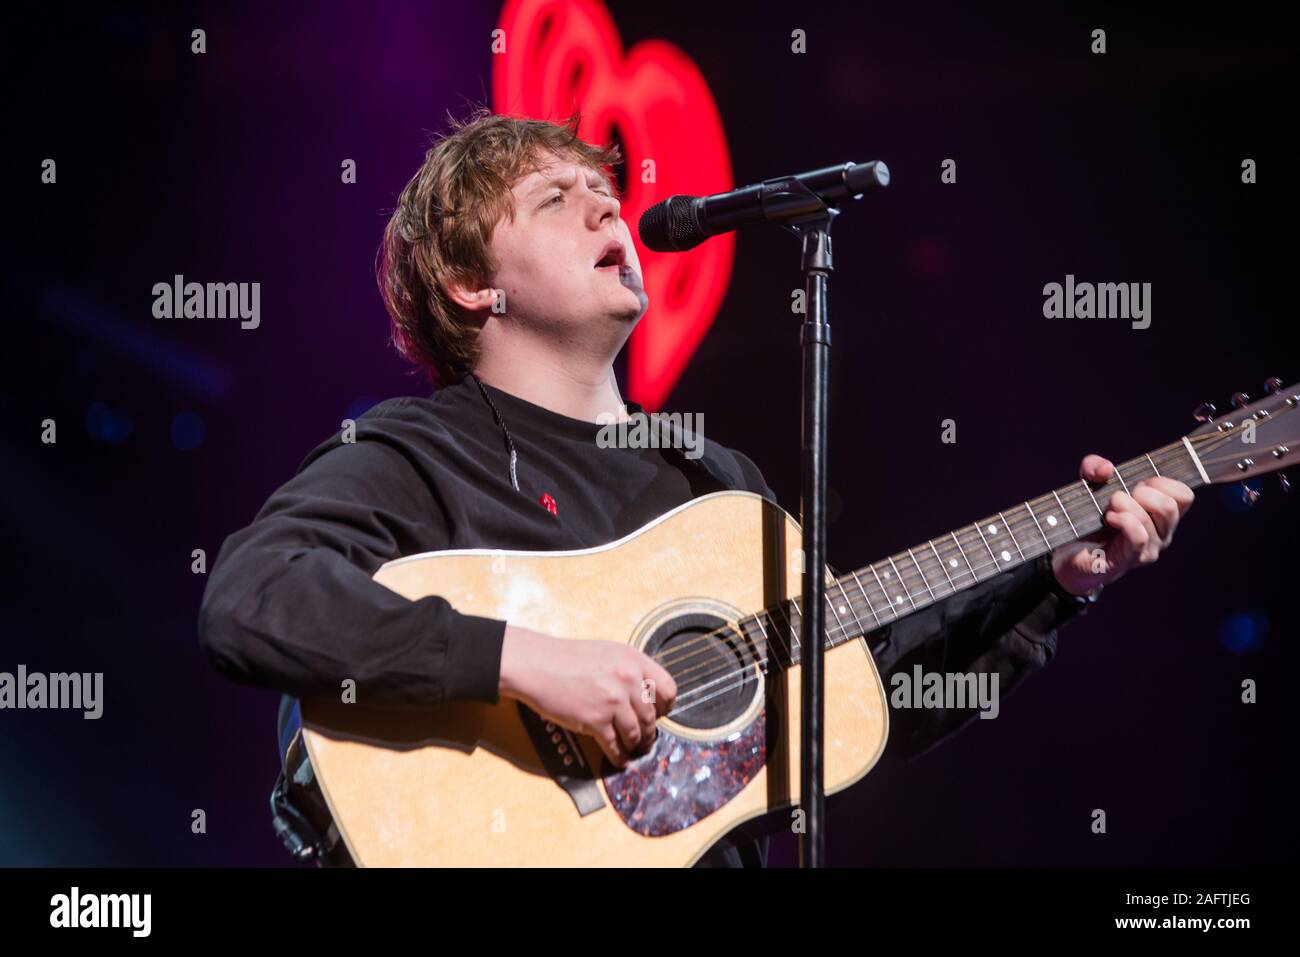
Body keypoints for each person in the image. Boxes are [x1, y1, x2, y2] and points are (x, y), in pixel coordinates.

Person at [197, 107, 1195, 867]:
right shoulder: (417, 454)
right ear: (471, 285)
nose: (607, 207)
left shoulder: (715, 490)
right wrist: (524, 661)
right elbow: (251, 601)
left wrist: (1053, 586)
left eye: (606, 193)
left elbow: (851, 708)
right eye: (557, 199)